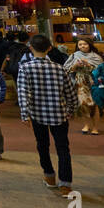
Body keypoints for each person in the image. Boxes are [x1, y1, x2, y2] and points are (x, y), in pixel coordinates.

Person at [16, 34, 77, 197]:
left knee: (42, 145)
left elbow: (23, 92)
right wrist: (71, 109)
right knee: (63, 148)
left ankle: (49, 176)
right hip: (59, 114)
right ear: (50, 48)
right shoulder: (60, 68)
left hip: (37, 115)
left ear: (31, 48)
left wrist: (25, 113)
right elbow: (70, 92)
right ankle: (65, 184)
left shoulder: (25, 68)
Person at [63, 37, 103, 134]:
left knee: (94, 105)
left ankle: (95, 127)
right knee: (82, 104)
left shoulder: (96, 57)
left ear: (90, 45)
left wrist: (89, 65)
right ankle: (86, 125)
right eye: (80, 44)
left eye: (85, 44)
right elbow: (66, 69)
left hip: (93, 82)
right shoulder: (74, 56)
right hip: (80, 82)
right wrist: (76, 66)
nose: (82, 46)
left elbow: (100, 70)